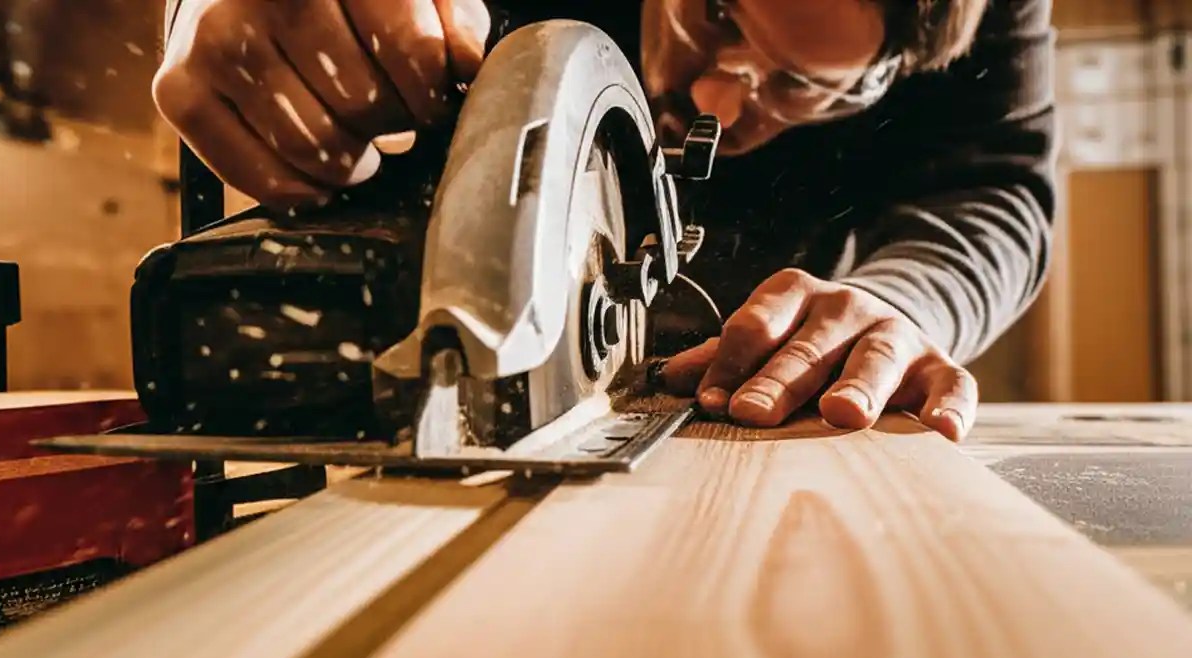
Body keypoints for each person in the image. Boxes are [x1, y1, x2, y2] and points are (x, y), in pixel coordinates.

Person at [153, 0, 1056, 442]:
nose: (712, 96)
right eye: (712, 12)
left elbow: (997, 188)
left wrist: (894, 301)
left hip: (765, 386)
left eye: (799, 86)